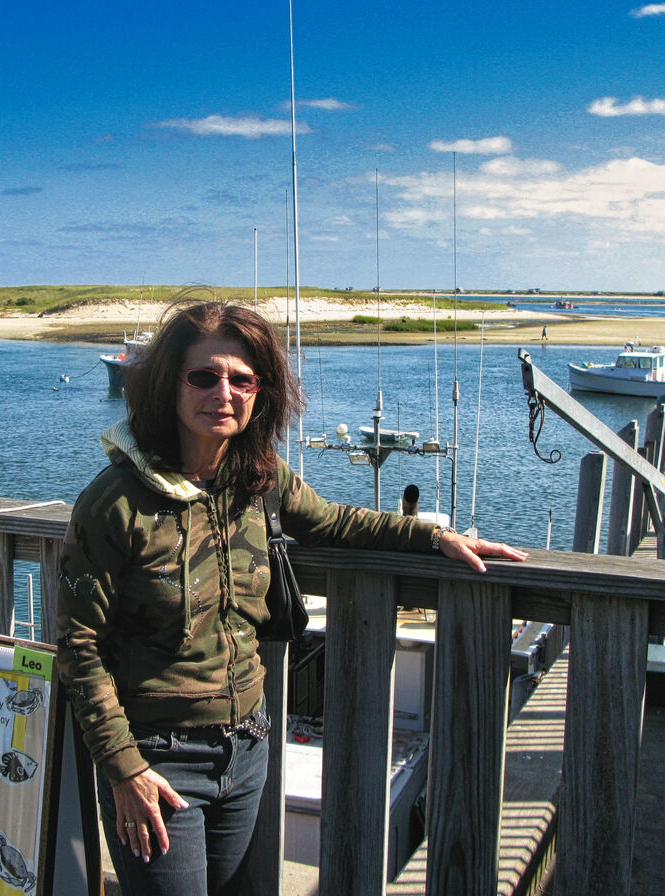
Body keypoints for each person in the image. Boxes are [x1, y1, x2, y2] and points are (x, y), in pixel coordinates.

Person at [56, 299, 526, 895]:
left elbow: (334, 522)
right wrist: (124, 768)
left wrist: (432, 535)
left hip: (246, 745)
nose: (222, 392)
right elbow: (77, 645)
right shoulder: (117, 503)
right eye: (203, 376)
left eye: (241, 379)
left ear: (261, 394)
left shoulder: (259, 476)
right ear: (167, 386)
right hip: (158, 755)